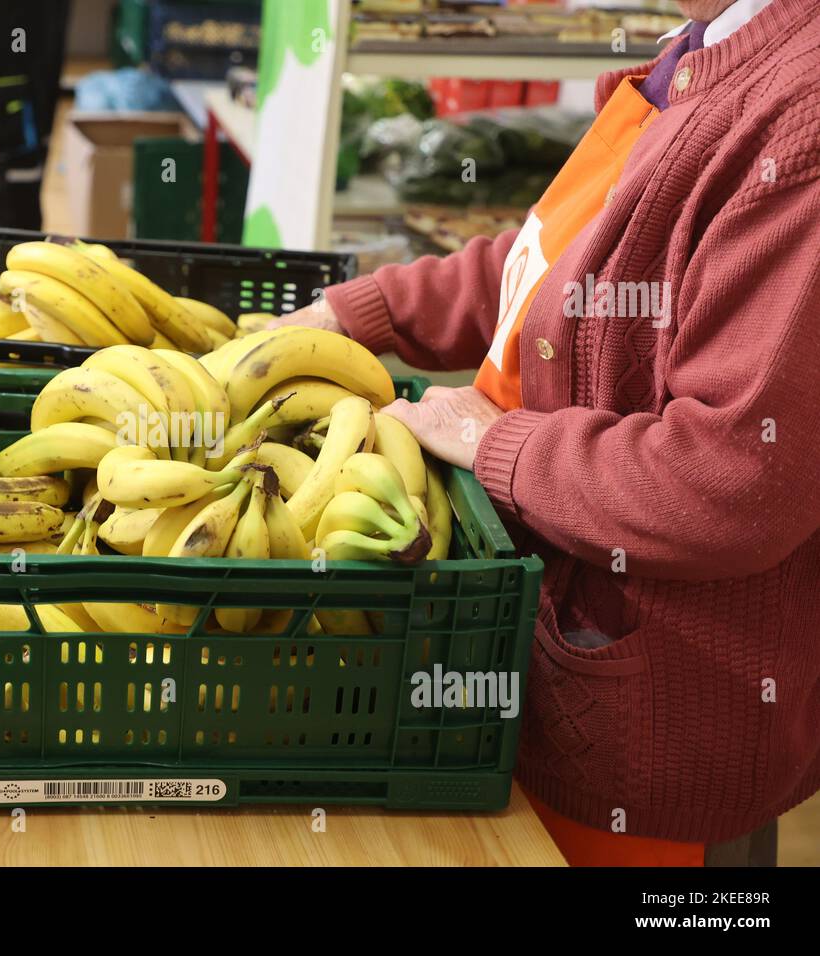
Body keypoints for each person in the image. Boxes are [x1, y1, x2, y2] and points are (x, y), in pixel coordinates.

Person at [277, 0, 820, 866]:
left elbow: (734, 482)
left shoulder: (802, 124)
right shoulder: (706, 42)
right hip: (542, 658)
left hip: (650, 730)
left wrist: (501, 444)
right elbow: (563, 260)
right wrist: (361, 312)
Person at [0, 0, 72, 230]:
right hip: (2, 44)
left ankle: (23, 238)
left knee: (32, 158)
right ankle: (10, 244)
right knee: (9, 164)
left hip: (36, 40)